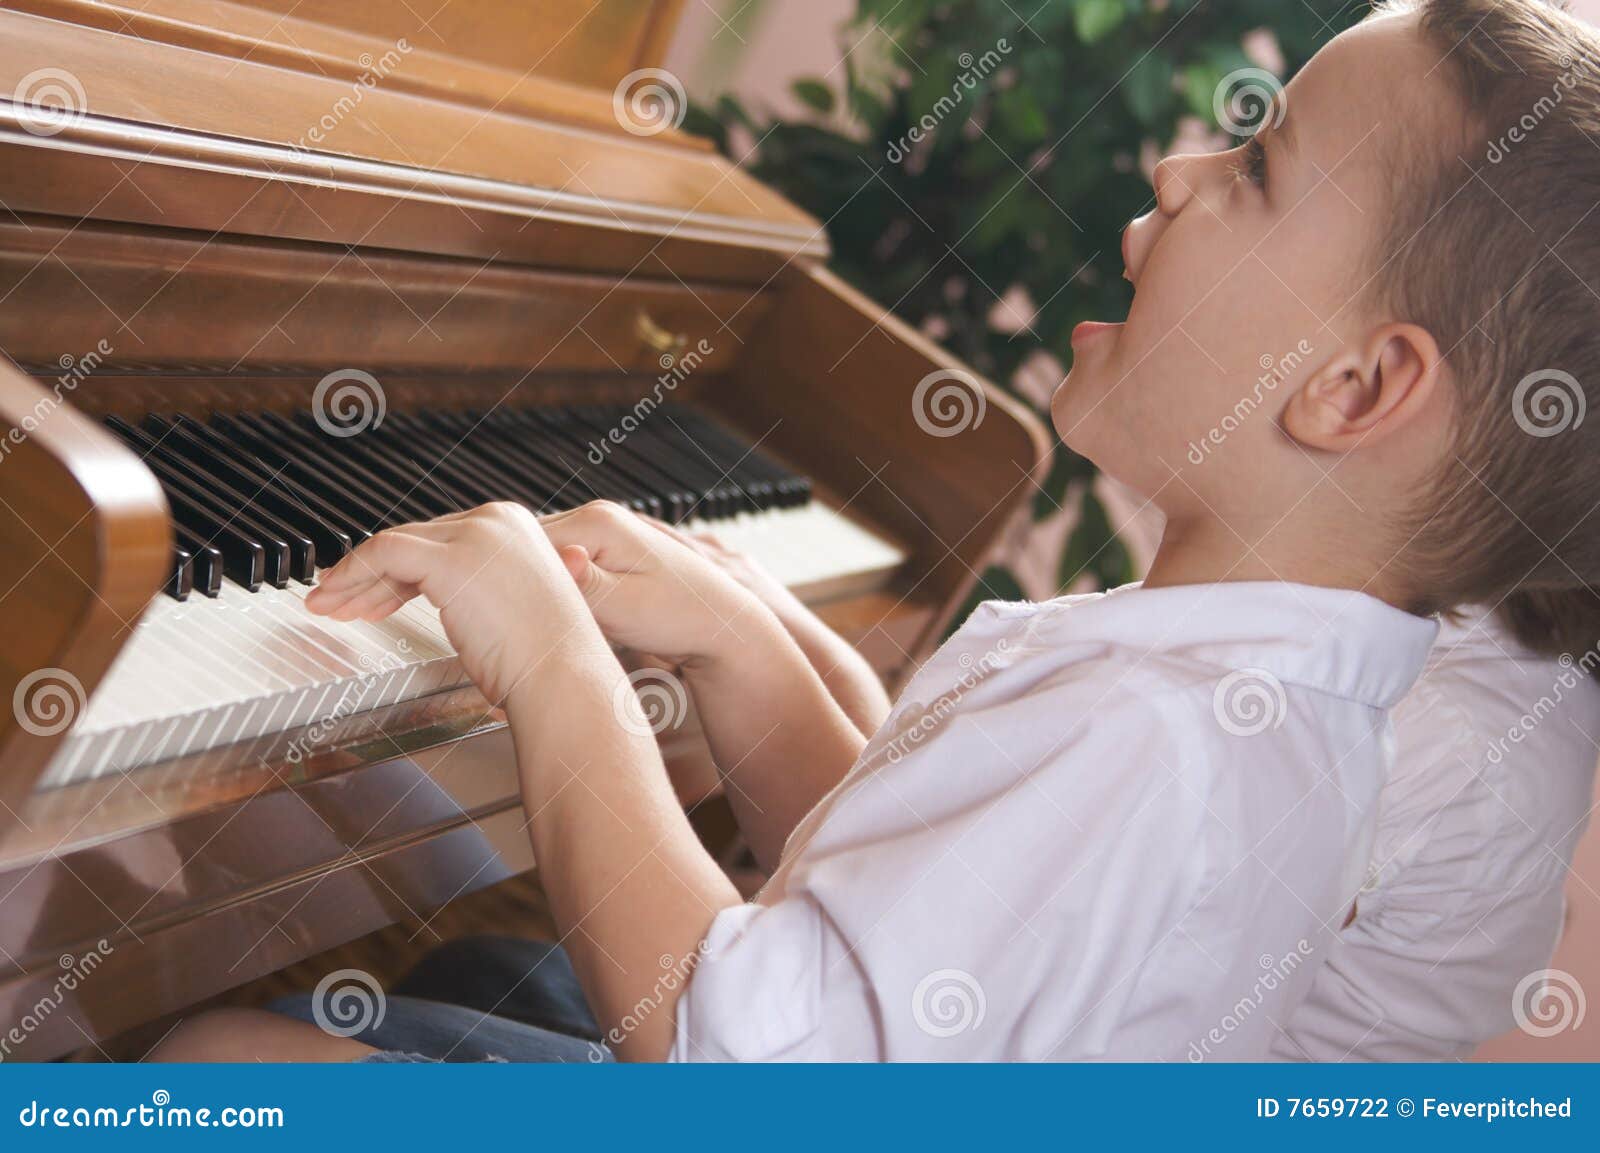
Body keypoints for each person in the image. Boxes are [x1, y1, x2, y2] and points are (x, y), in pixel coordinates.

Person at [153, 0, 1600, 1061]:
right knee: (453, 964)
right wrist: (741, 634)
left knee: (219, 1067)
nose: (1176, 171)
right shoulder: (1273, 708)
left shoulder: (1169, 731)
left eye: (1258, 172)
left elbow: (743, 1048)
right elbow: (919, 900)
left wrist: (552, 660)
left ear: (1356, 390)